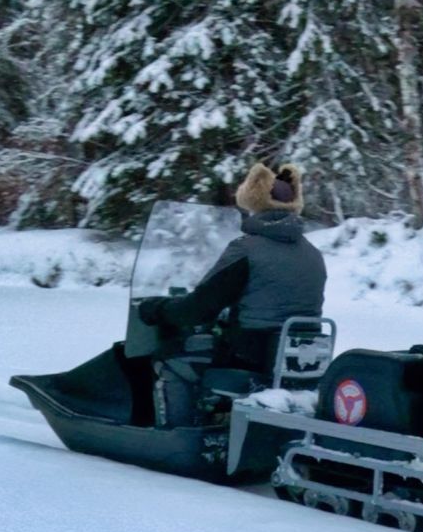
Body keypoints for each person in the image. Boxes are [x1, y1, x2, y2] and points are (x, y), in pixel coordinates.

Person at [134, 162, 327, 378]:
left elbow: (200, 309)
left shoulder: (246, 249)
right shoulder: (314, 254)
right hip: (299, 361)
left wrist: (156, 309)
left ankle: (177, 413)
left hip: (249, 356)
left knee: (169, 357)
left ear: (254, 202)